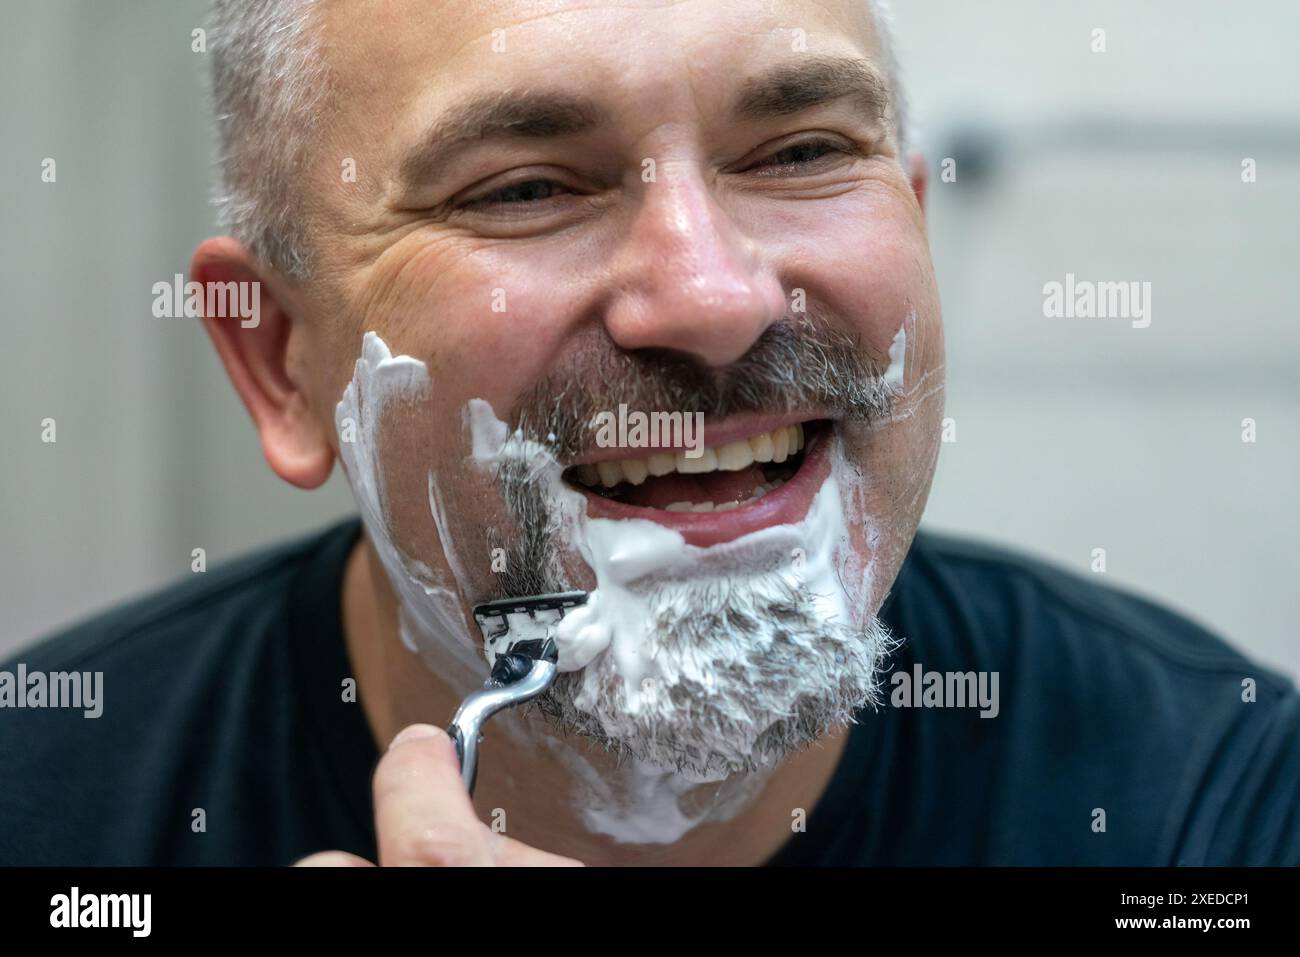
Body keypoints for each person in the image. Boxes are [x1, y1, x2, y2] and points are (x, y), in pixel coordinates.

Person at [2, 0, 1296, 867]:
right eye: (525, 187)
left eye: (797, 153)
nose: (717, 298)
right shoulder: (45, 804)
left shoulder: (1210, 806)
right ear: (282, 358)